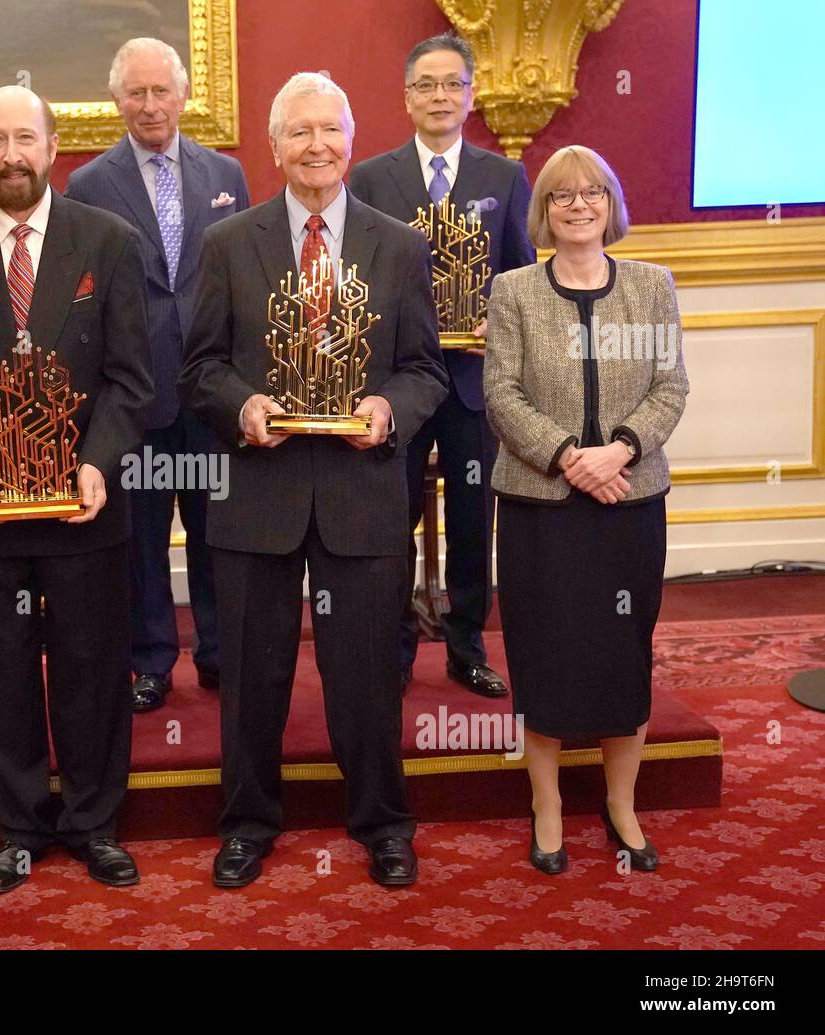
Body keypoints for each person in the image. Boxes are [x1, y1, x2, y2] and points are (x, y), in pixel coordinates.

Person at [179, 73, 448, 888]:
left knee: (365, 674)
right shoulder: (230, 243)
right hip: (257, 495)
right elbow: (201, 367)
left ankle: (383, 823)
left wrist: (387, 407)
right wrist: (241, 404)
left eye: (329, 129)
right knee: (252, 676)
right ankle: (249, 824)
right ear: (273, 146)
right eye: (299, 132)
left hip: (362, 491)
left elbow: (426, 369)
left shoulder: (399, 245)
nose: (317, 146)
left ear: (352, 139)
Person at [0, 85, 153, 894]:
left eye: (26, 139)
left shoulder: (109, 240)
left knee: (91, 666)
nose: (12, 155)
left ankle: (93, 823)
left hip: (82, 501)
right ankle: (17, 829)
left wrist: (98, 462)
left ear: (53, 148)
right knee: (3, 672)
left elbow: (129, 378)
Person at [484, 145, 689, 874]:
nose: (578, 206)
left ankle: (621, 804)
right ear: (544, 208)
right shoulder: (513, 291)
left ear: (611, 204)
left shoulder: (652, 286)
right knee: (544, 654)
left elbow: (670, 387)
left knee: (622, 655)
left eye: (592, 193)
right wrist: (571, 456)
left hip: (629, 503)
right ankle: (547, 807)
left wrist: (619, 452)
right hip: (545, 504)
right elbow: (501, 393)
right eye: (563, 195)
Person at [66, 37, 250, 714]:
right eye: (135, 93)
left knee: (217, 531)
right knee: (139, 538)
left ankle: (221, 652)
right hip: (133, 394)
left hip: (211, 392)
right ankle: (149, 660)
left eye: (160, 91)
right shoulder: (87, 185)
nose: (149, 105)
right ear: (117, 101)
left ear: (182, 96)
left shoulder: (225, 174)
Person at [349, 32, 535, 698]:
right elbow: (358, 276)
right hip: (397, 383)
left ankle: (466, 643)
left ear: (471, 94)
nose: (438, 96)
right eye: (425, 84)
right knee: (393, 516)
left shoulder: (505, 177)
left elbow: (522, 276)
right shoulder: (370, 177)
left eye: (451, 84)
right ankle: (394, 645)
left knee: (470, 514)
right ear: (407, 98)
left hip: (473, 384)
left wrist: (500, 322)